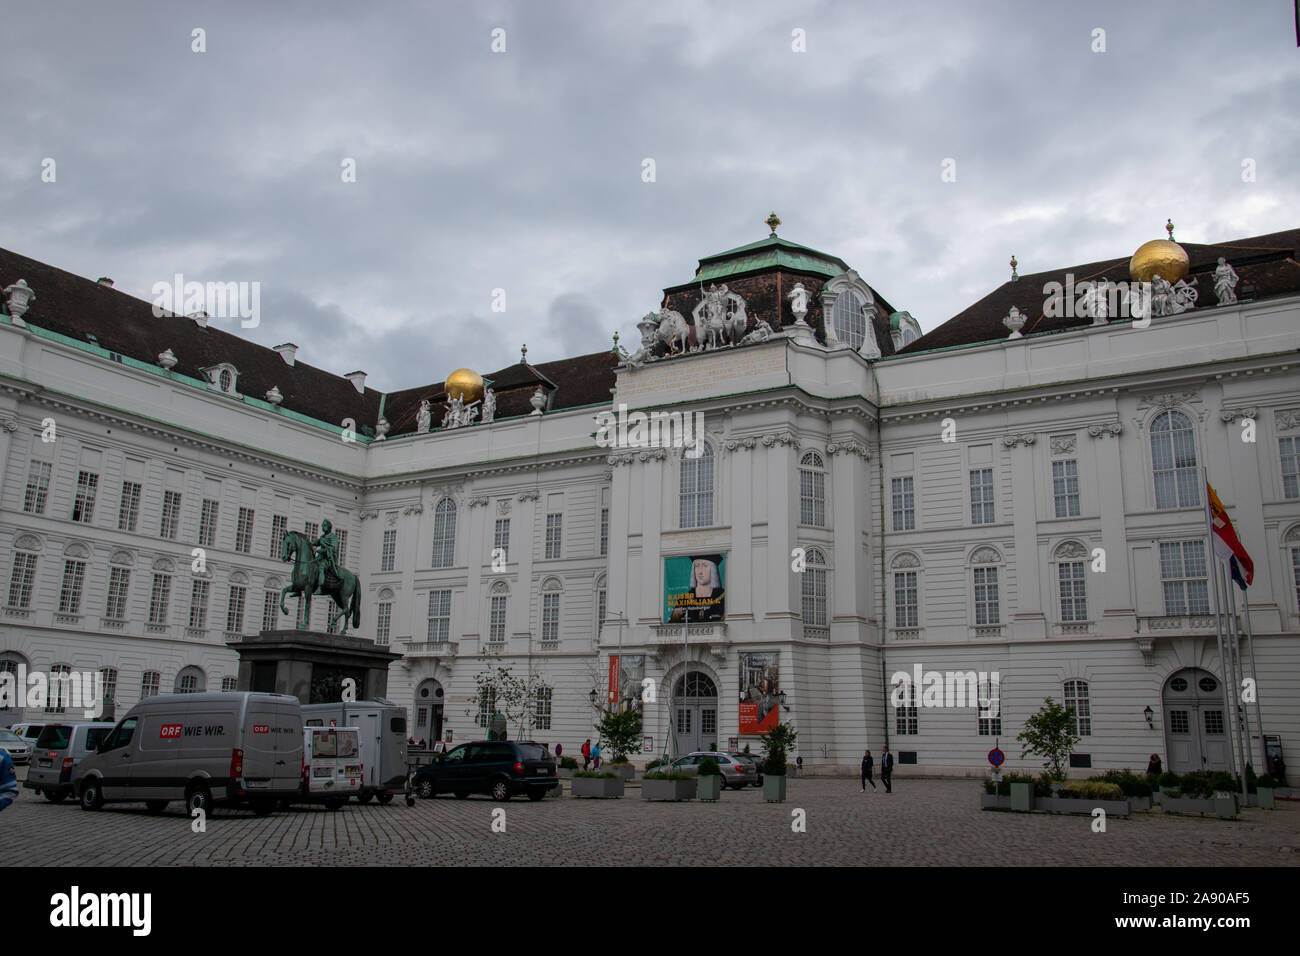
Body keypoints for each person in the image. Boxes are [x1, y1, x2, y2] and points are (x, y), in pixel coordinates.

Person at [311, 518, 341, 594]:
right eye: (322, 526)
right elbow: (315, 543)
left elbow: (333, 548)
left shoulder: (333, 537)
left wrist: (318, 550)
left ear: (328, 527)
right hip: (319, 557)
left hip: (328, 559)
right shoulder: (322, 537)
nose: (322, 527)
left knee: (321, 567)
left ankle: (320, 587)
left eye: (324, 525)